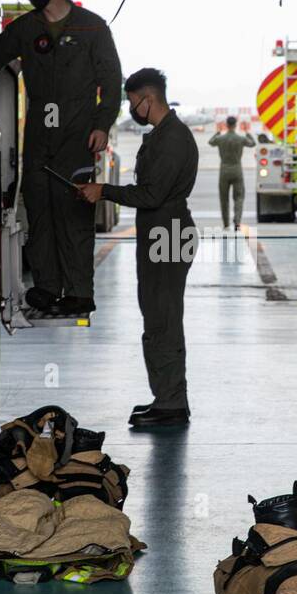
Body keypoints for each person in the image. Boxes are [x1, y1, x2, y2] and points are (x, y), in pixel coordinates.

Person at [0, 0, 121, 316]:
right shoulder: (25, 29)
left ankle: (78, 291)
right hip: (40, 137)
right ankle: (46, 286)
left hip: (78, 137)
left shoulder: (93, 29)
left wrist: (102, 124)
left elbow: (112, 83)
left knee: (73, 213)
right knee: (39, 211)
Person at [77, 69, 198, 428]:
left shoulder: (172, 139)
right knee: (158, 317)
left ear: (149, 98)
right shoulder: (162, 134)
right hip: (162, 233)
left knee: (163, 319)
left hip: (169, 234)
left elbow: (152, 194)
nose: (132, 108)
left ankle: (172, 404)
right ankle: (166, 398)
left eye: (133, 101)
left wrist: (106, 190)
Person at [208, 115, 256, 230]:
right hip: (237, 169)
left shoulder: (220, 139)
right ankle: (237, 222)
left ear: (227, 125)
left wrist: (218, 132)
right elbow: (253, 143)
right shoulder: (240, 139)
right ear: (235, 125)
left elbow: (210, 142)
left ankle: (226, 223)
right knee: (239, 197)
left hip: (224, 170)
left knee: (224, 198)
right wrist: (247, 132)